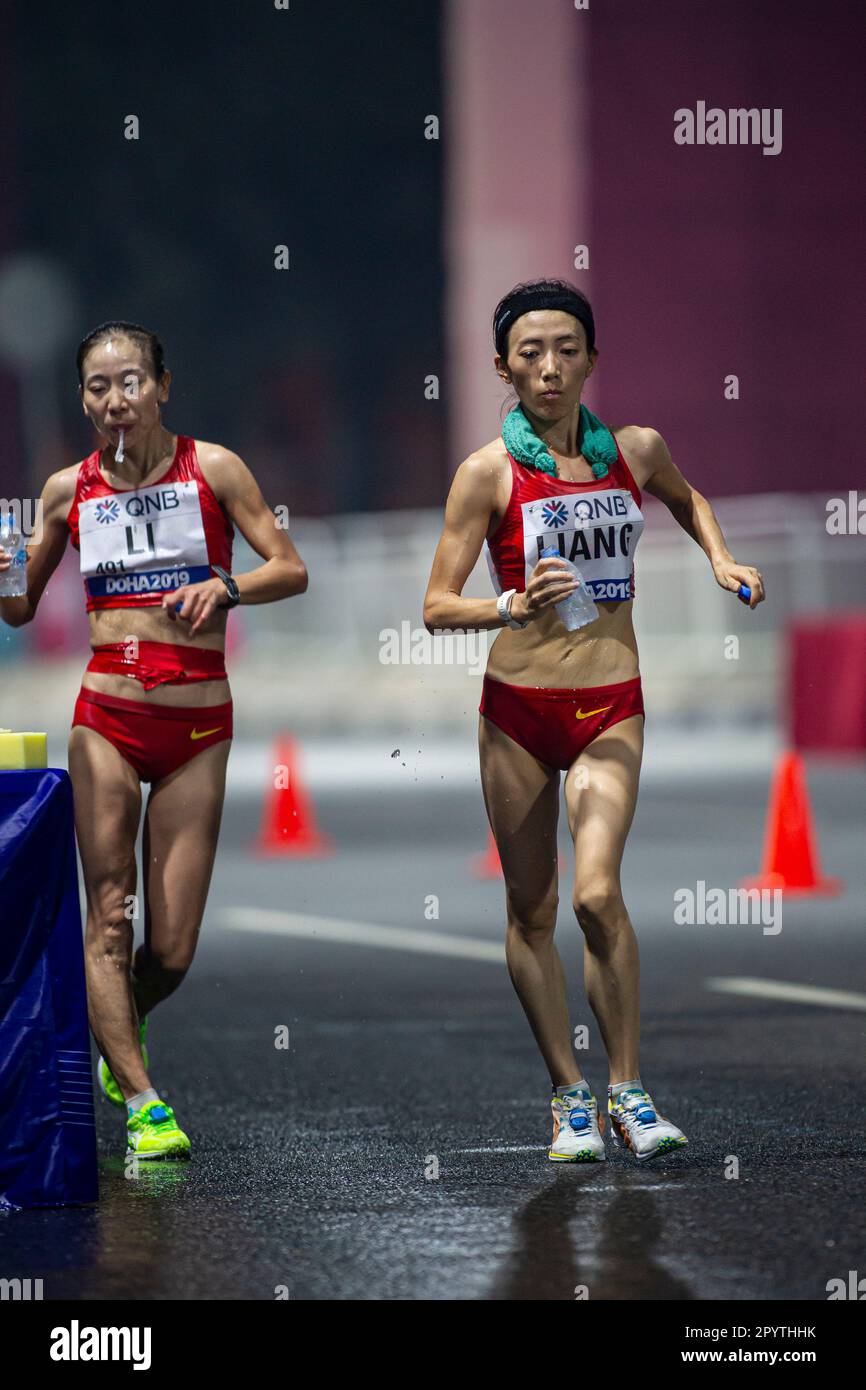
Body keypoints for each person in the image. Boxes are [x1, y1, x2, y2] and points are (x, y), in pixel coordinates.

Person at [423, 280, 765, 1162]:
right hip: (518, 714)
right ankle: (567, 1096)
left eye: (566, 349)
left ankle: (628, 1089)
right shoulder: (487, 474)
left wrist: (722, 560)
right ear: (503, 367)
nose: (549, 368)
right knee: (533, 910)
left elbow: (688, 500)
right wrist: (508, 604)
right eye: (530, 353)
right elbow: (434, 606)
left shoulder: (636, 451)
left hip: (612, 702)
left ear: (592, 360)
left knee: (598, 893)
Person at [0, 320, 308, 1161]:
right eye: (98, 387)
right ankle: (143, 1103)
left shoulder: (214, 469)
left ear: (163, 386)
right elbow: (19, 608)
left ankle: (126, 1015)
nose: (114, 400)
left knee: (168, 949)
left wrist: (227, 587)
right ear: (83, 400)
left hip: (200, 724)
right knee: (108, 917)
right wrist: (1, 560)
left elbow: (290, 566)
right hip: (108, 715)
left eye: (130, 381)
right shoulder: (68, 490)